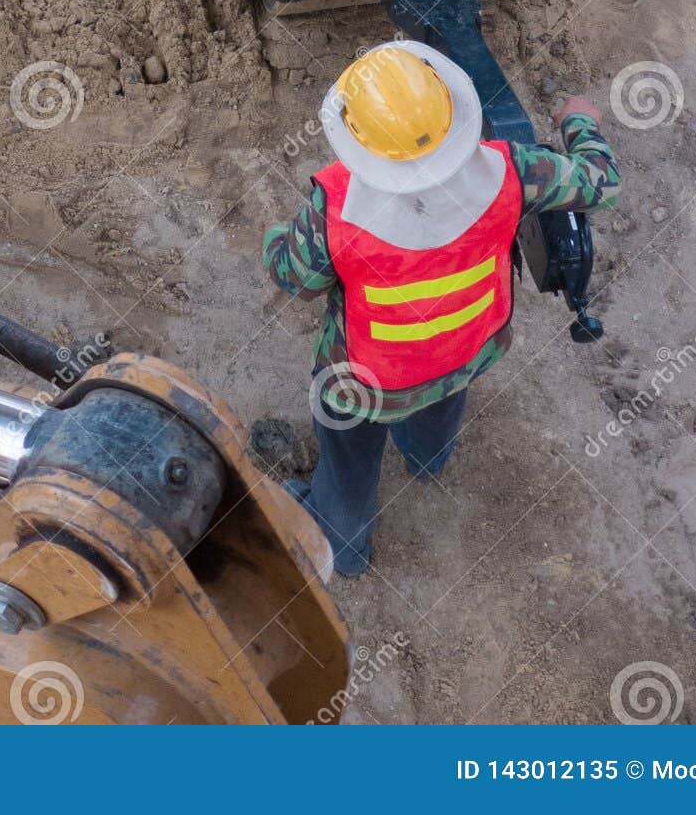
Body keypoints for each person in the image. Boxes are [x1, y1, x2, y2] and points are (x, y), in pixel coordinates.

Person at [264, 40, 621, 575]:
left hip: (365, 383)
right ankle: (426, 460)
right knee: (441, 400)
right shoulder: (513, 170)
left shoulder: (335, 208)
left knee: (347, 462)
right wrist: (580, 123)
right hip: (467, 350)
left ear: (356, 137)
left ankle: (344, 544)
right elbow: (601, 182)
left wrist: (275, 236)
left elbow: (295, 277)